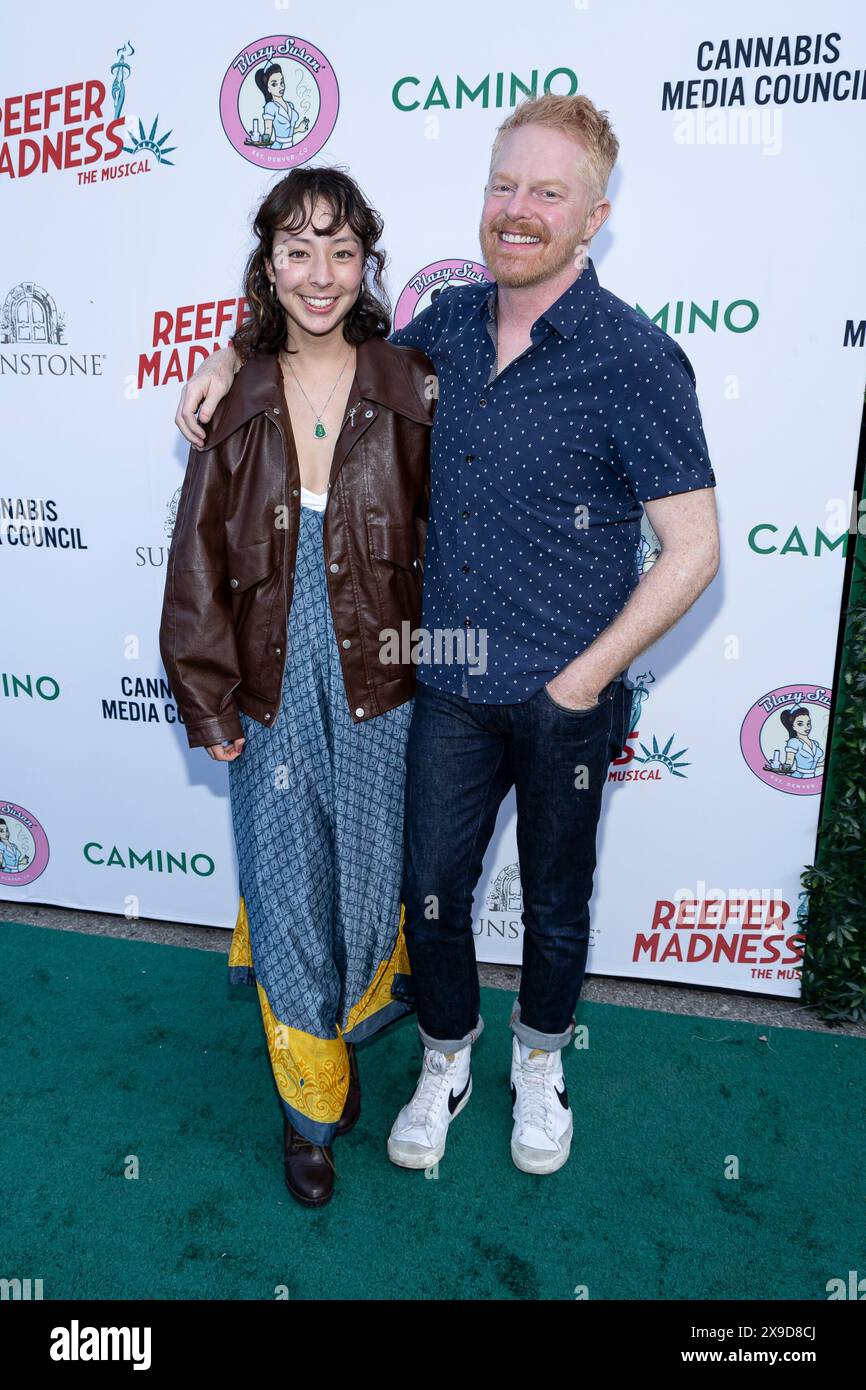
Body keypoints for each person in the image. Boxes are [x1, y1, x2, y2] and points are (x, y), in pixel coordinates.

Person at [175, 93, 720, 1180]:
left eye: (546, 193)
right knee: (428, 892)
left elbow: (693, 548)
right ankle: (443, 1059)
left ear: (593, 214)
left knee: (557, 900)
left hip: (565, 692)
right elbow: (309, 339)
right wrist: (220, 361)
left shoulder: (633, 357)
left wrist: (585, 678)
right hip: (444, 683)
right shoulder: (440, 337)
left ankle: (540, 1063)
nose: (517, 211)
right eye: (502, 185)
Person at [160, 167, 434, 1207]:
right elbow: (195, 561)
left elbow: (448, 535)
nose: (319, 274)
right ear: (265, 265)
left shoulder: (411, 381)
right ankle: (305, 1108)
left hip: (384, 674)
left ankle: (348, 1034)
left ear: (366, 260)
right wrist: (208, 696)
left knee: (367, 885)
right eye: (295, 250)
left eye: (340, 249)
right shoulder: (236, 400)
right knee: (283, 888)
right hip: (271, 673)